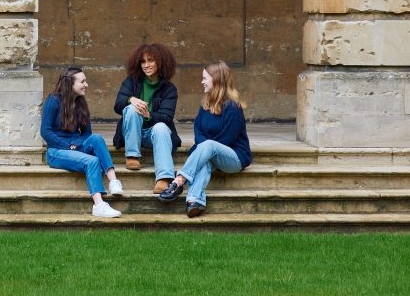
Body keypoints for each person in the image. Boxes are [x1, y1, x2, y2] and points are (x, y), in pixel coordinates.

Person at [159, 61, 252, 218]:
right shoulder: (205, 105)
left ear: (216, 80)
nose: (202, 82)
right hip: (211, 154)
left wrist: (205, 148)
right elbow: (198, 131)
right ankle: (194, 201)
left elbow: (226, 139)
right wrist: (204, 150)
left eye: (205, 78)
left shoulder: (233, 107)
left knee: (208, 146)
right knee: (205, 161)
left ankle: (179, 181)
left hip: (234, 157)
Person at [42, 66, 124, 219]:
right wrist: (68, 146)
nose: (86, 85)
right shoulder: (53, 101)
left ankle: (113, 180)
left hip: (75, 147)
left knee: (97, 139)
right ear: (70, 84)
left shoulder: (80, 103)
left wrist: (76, 144)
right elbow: (45, 131)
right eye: (83, 81)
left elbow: (87, 133)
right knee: (92, 161)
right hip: (56, 152)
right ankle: (99, 205)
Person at [112, 41, 180, 194]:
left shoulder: (169, 89)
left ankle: (164, 178)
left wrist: (148, 116)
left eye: (151, 60)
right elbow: (117, 106)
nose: (146, 65)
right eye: (143, 61)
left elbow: (167, 117)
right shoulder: (131, 81)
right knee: (130, 109)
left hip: (153, 135)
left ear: (160, 62)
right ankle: (132, 156)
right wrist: (131, 99)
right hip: (131, 133)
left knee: (162, 126)